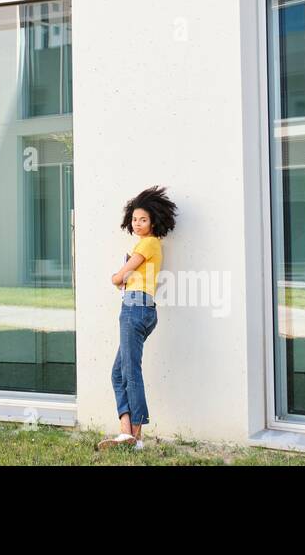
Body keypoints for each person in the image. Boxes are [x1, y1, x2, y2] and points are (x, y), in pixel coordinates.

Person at [98, 186, 178, 452]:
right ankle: (125, 431)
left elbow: (120, 276)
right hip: (139, 308)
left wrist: (116, 276)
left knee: (130, 371)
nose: (137, 223)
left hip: (135, 309)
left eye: (143, 219)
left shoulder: (148, 243)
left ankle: (137, 435)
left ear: (153, 221)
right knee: (118, 372)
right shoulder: (147, 244)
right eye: (134, 219)